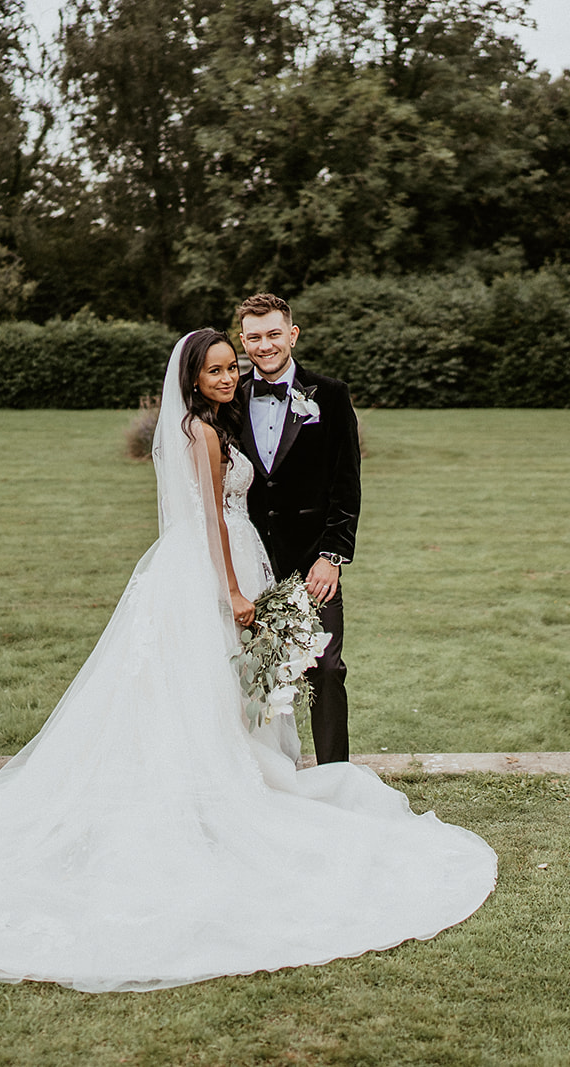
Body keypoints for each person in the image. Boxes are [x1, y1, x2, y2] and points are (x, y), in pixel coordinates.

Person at [0, 331, 495, 994]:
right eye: (217, 368)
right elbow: (202, 515)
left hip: (237, 564)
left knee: (221, 691)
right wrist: (230, 586)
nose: (229, 376)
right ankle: (203, 796)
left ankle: (235, 779)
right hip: (208, 573)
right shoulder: (197, 431)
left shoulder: (219, 421)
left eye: (234, 366)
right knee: (198, 686)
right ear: (192, 376)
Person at [237, 293, 358, 764]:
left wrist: (332, 557)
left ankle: (335, 777)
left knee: (325, 671)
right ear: (242, 340)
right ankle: (259, 778)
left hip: (312, 564)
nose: (264, 346)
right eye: (253, 337)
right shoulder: (230, 397)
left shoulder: (330, 395)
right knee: (248, 673)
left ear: (293, 334)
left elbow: (345, 485)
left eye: (273, 334)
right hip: (248, 561)